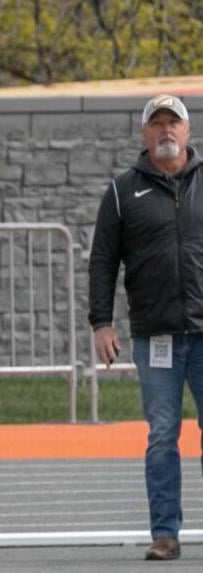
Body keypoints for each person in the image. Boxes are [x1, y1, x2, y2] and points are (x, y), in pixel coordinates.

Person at [89, 94, 203, 562]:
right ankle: (165, 534)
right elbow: (102, 261)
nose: (165, 132)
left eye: (172, 123)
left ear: (188, 131)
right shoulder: (122, 191)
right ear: (143, 135)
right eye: (156, 124)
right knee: (161, 434)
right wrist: (101, 322)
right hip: (155, 335)